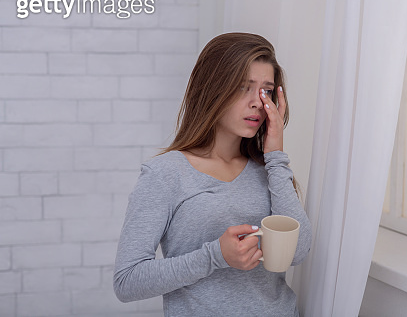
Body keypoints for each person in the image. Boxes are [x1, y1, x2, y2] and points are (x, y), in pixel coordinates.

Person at [113, 32, 312, 316]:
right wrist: (215, 256)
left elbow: (299, 251)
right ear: (212, 89)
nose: (258, 101)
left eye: (266, 91)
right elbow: (127, 281)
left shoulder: (270, 171)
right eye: (244, 87)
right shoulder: (166, 174)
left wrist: (276, 158)